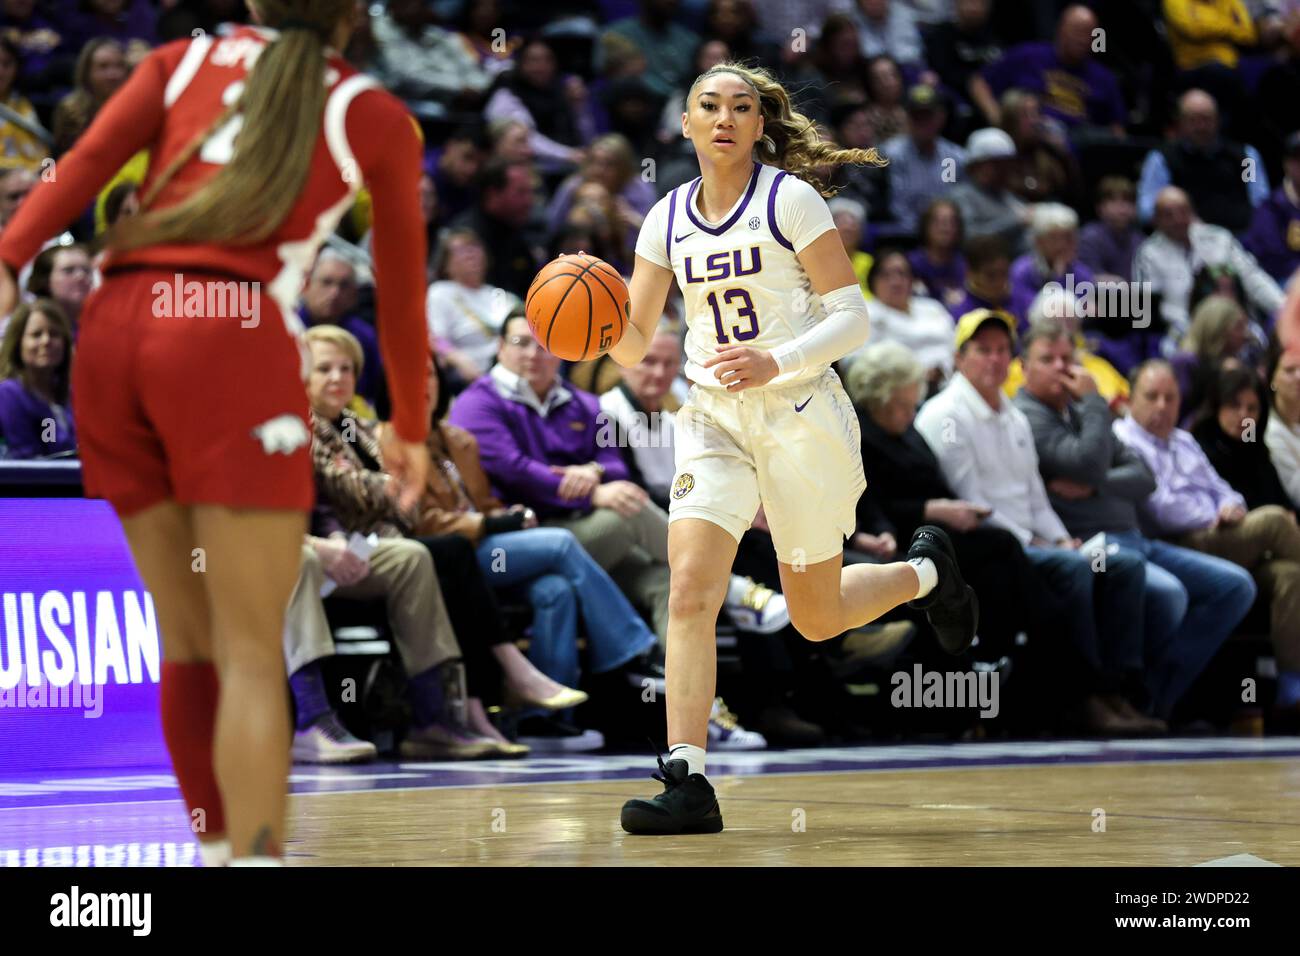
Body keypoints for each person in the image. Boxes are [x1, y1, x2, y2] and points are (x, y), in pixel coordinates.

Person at [0, 4, 432, 867]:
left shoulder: (174, 63)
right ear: (353, 16)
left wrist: (11, 259)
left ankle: (219, 847)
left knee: (186, 639)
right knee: (244, 647)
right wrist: (412, 428)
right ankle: (252, 859)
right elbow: (401, 291)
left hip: (117, 327)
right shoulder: (377, 114)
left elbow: (77, 173)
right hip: (227, 332)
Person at [610, 61, 978, 835]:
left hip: (801, 413)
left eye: (740, 107)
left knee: (815, 616)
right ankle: (688, 777)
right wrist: (587, 325)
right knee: (689, 587)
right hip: (713, 418)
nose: (723, 117)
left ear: (757, 124)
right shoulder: (665, 217)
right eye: (707, 105)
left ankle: (925, 571)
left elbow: (853, 318)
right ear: (685, 125)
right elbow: (634, 338)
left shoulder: (791, 200)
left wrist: (775, 361)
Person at [1013, 320, 1253, 721]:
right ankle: (1130, 697)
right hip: (1092, 541)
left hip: (1137, 537)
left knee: (1236, 587)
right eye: (1048, 359)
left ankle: (1153, 698)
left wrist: (1095, 483)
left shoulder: (1079, 413)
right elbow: (1089, 460)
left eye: (1067, 358)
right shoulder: (1029, 416)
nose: (1061, 367)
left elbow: (1143, 476)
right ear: (1023, 366)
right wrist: (1093, 407)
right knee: (1170, 595)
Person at [1115, 360, 1300, 725]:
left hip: (1220, 536)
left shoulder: (1183, 442)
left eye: (1170, 398)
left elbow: (1226, 491)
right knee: (1277, 521)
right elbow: (1162, 509)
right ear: (1130, 399)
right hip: (1172, 541)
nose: (1162, 407)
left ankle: (1290, 689)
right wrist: (1214, 514)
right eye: (1151, 397)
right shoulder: (1125, 440)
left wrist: (1229, 506)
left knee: (1289, 573)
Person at [0, 298, 76, 459]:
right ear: (18, 342)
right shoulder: (9, 394)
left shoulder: (69, 393)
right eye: (36, 335)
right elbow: (28, 458)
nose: (46, 341)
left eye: (54, 334)